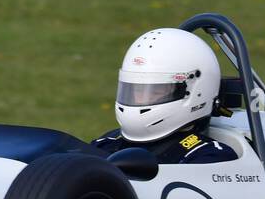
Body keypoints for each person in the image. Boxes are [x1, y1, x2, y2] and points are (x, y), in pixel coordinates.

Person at [92, 27, 237, 164]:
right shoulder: (105, 145)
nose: (141, 99)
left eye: (155, 92)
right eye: (135, 90)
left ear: (196, 91)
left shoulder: (209, 156)